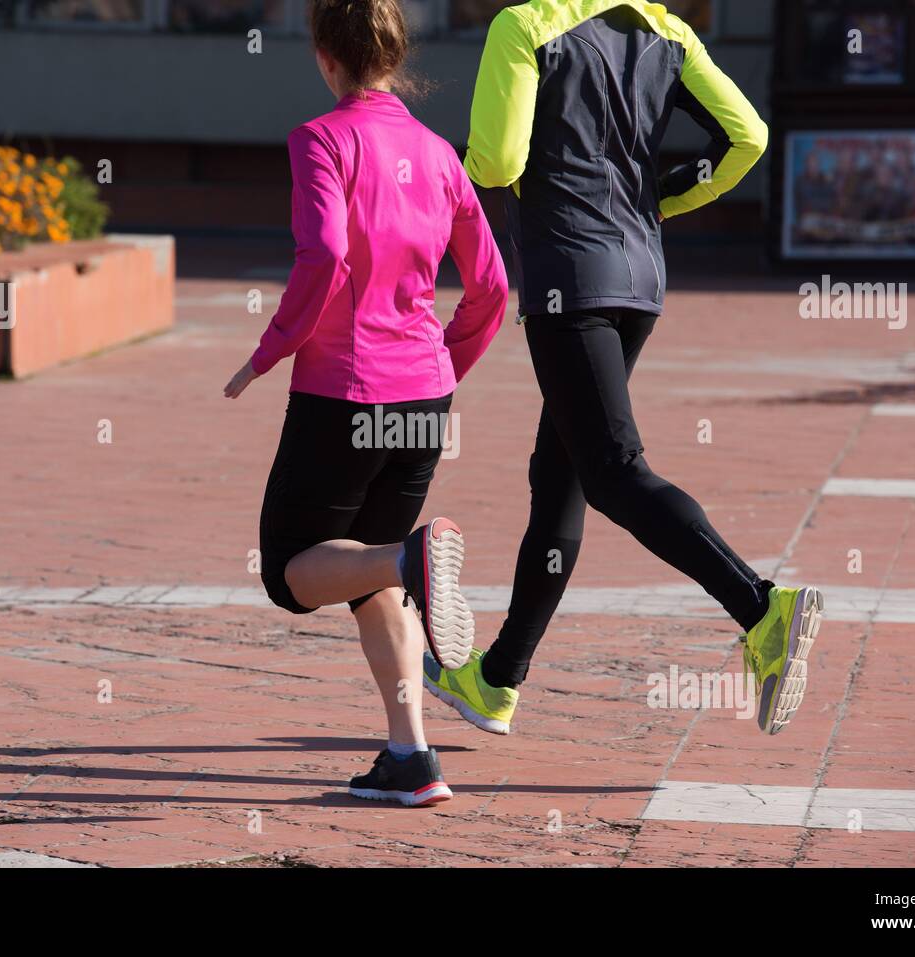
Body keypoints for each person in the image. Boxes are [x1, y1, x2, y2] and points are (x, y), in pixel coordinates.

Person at [424, 0, 822, 737]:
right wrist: (664, 197)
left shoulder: (525, 25)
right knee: (561, 476)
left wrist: (475, 160)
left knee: (610, 470)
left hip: (568, 281)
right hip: (640, 277)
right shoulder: (667, 29)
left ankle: (762, 608)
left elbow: (500, 161)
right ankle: (497, 679)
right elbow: (747, 137)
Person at [223, 0, 508, 805]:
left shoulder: (321, 139)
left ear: (325, 56)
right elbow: (490, 285)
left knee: (289, 571)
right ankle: (412, 757)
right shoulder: (438, 153)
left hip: (342, 392)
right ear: (394, 53)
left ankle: (408, 558)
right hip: (424, 400)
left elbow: (324, 253)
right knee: (368, 579)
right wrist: (437, 370)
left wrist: (268, 348)